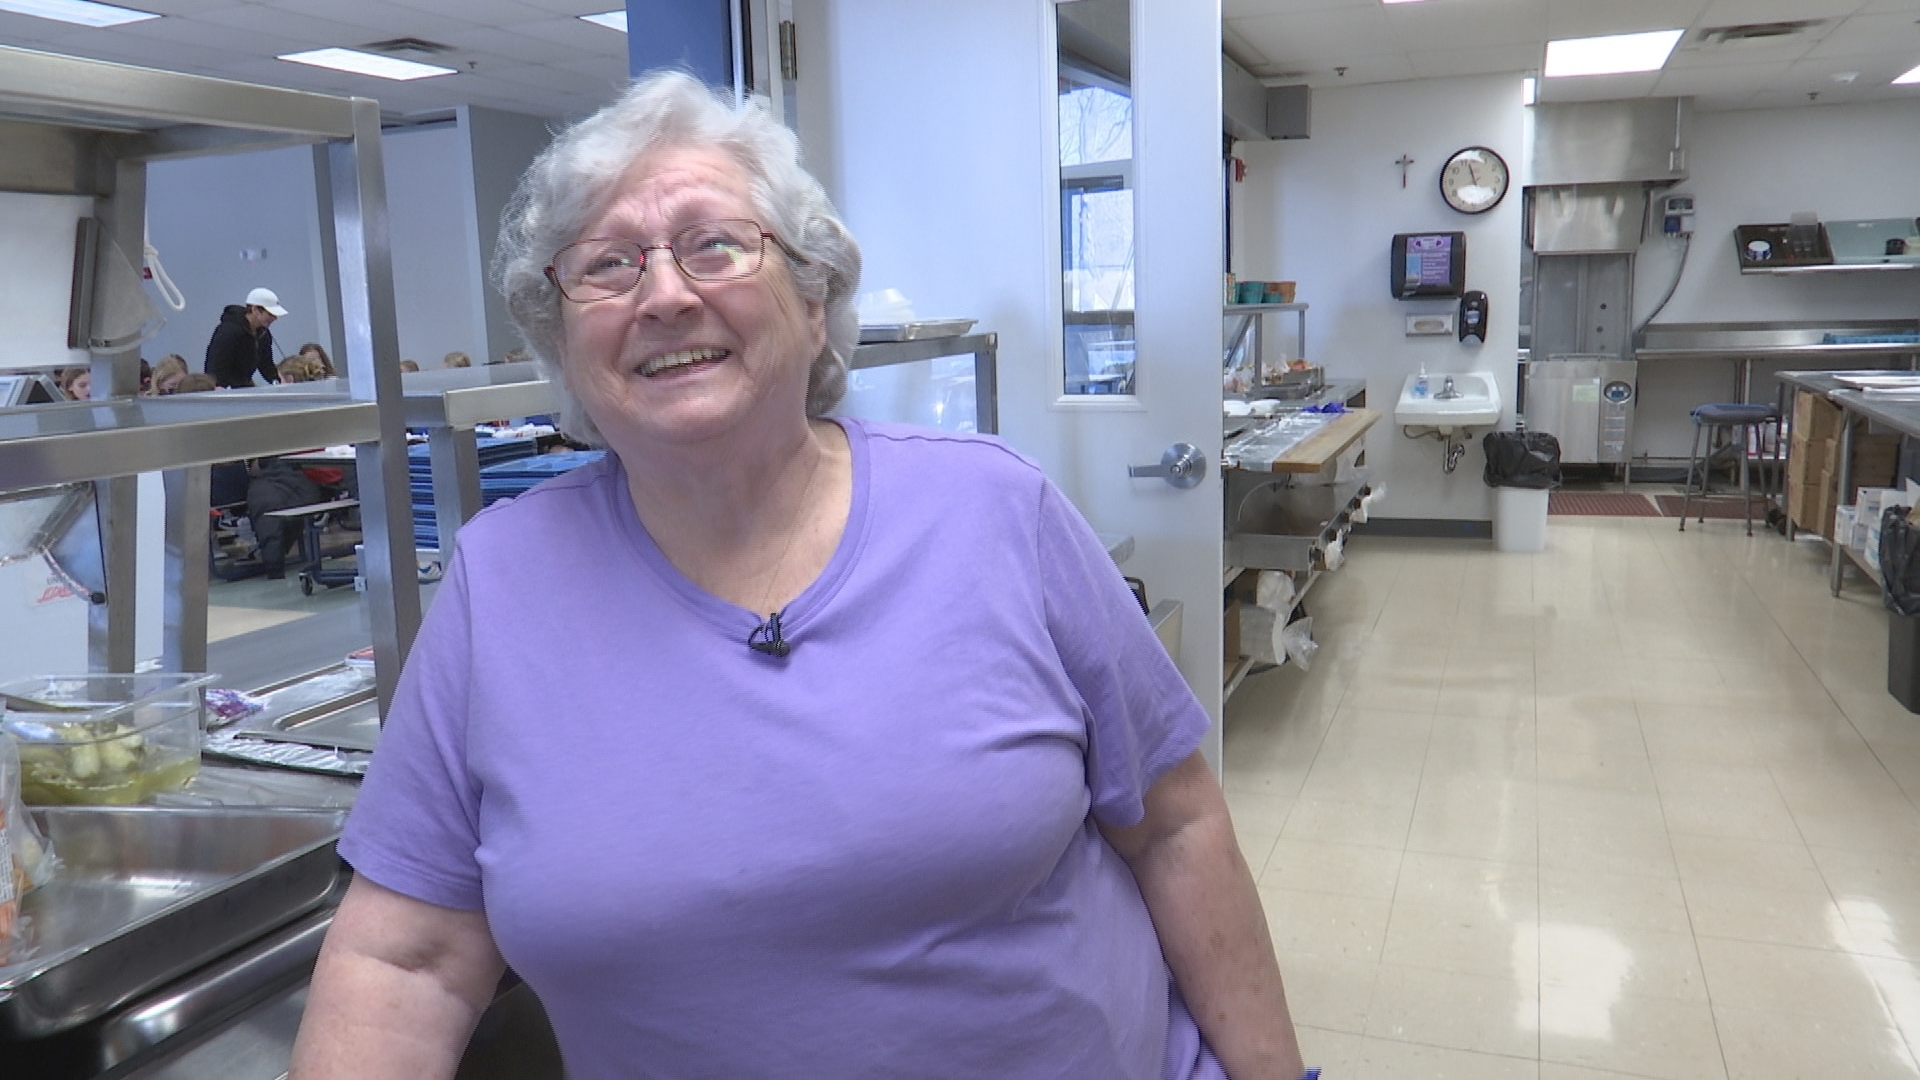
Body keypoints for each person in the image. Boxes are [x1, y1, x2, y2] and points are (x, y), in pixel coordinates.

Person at [292, 71, 1309, 1080]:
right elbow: (408, 960)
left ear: (813, 301)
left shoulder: (997, 509)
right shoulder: (502, 583)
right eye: (607, 265)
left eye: (714, 245)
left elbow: (1175, 825)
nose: (665, 295)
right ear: (561, 341)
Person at [205, 287, 286, 388]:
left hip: (244, 386)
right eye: (270, 314)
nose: (274, 318)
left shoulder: (263, 334)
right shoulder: (228, 331)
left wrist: (278, 381)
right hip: (225, 390)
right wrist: (218, 387)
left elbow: (266, 365)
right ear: (255, 309)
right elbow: (215, 365)